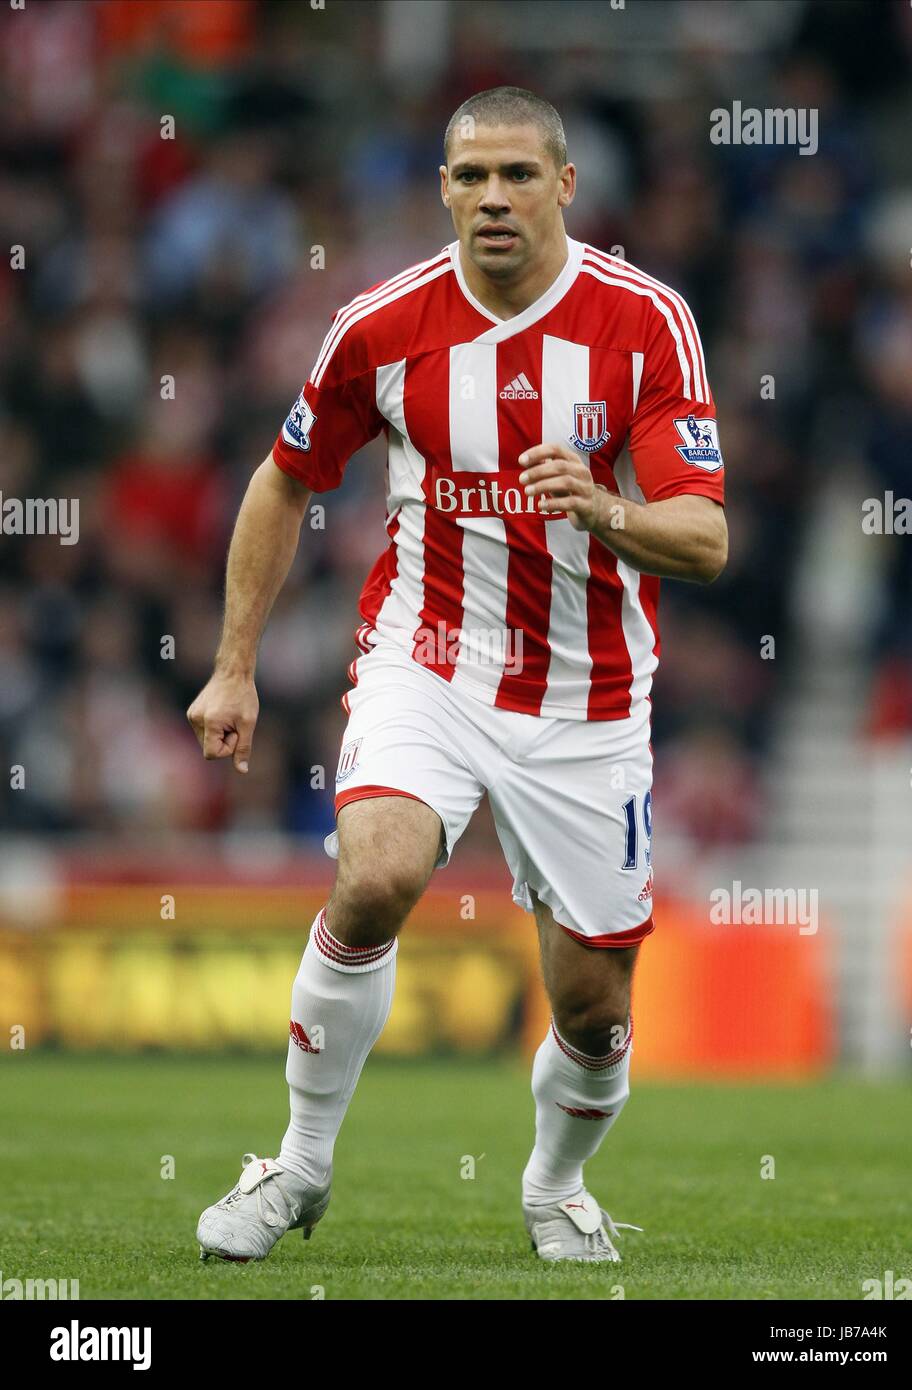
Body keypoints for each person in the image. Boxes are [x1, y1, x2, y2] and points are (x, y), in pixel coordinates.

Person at [187, 86, 727, 1265]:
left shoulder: (644, 323)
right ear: (440, 189)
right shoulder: (380, 325)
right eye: (470, 175)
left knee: (593, 1007)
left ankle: (552, 1184)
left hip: (587, 697)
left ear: (567, 187)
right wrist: (233, 669)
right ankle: (297, 1163)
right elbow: (285, 477)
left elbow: (706, 538)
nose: (493, 197)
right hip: (425, 663)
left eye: (518, 175)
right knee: (373, 876)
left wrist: (604, 506)